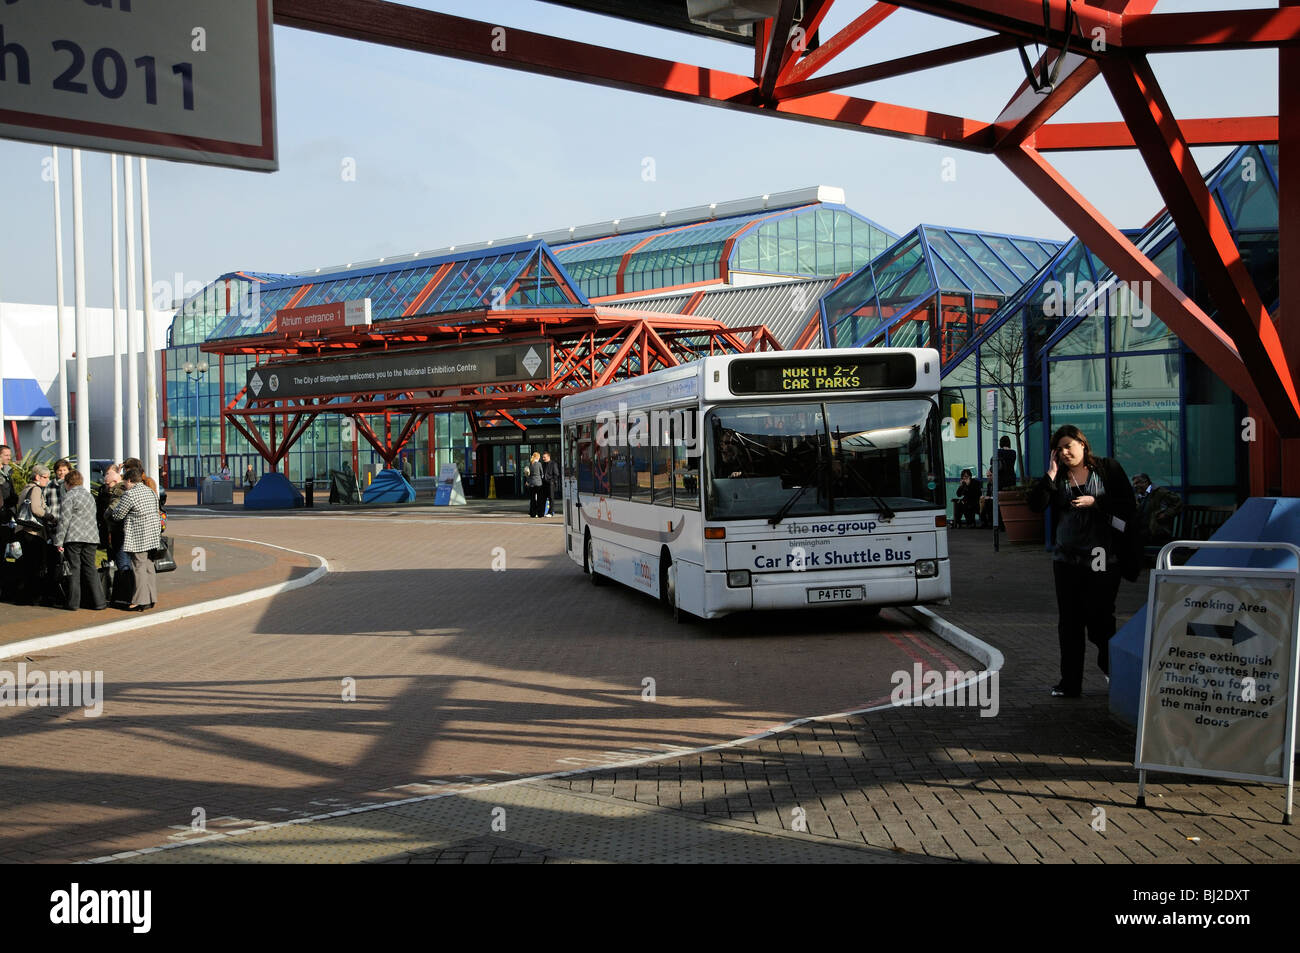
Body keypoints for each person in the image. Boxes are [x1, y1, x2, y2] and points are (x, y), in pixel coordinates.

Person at [1028, 425, 1138, 698]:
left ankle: (1112, 667)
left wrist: (1097, 501)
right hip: (1067, 558)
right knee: (1069, 622)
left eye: (1069, 446)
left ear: (1082, 444)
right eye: (1060, 449)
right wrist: (1051, 474)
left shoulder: (1107, 469)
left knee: (1100, 619)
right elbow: (1035, 505)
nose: (1066, 453)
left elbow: (1127, 505)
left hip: (1101, 556)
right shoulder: (1059, 477)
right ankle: (1070, 682)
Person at [110, 465, 162, 611]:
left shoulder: (130, 494)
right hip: (152, 535)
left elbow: (118, 515)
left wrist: (112, 512)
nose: (124, 485)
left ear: (130, 480)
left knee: (138, 567)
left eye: (125, 482)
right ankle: (152, 597)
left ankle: (140, 600)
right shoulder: (149, 491)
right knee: (149, 566)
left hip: (139, 535)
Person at [53, 470, 106, 612]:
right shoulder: (89, 496)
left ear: (68, 483)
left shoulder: (69, 496)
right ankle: (99, 602)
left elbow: (64, 520)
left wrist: (58, 541)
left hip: (74, 537)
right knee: (90, 568)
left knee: (74, 570)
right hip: (91, 537)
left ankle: (73, 603)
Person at [13, 464, 52, 605]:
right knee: (35, 564)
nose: (47, 480)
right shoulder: (36, 489)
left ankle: (22, 595)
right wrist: (48, 516)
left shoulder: (26, 488)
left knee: (25, 564)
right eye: (45, 477)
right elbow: (36, 509)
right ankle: (33, 596)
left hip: (21, 530)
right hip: (32, 531)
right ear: (37, 477)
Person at [1132, 473, 1182, 549]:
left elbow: (1178, 503)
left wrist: (1166, 514)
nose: (1135, 486)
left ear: (1145, 482)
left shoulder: (1160, 492)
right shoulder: (1139, 495)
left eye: (1137, 483)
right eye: (1134, 484)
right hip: (1144, 530)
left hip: (1157, 530)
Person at [0, 445, 17, 599]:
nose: (9, 458)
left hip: (6, 518)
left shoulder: (7, 473)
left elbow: (11, 494)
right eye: (6, 455)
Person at [524, 451, 545, 517]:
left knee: (532, 499)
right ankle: (540, 514)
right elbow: (542, 474)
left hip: (531, 483)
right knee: (539, 499)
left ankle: (533, 513)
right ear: (538, 457)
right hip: (538, 483)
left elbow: (527, 474)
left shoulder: (530, 464)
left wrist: (528, 481)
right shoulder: (539, 464)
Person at [541, 451, 560, 517]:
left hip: (550, 483)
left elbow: (556, 474)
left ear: (548, 457)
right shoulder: (543, 464)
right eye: (543, 457)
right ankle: (542, 512)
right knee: (543, 498)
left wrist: (553, 481)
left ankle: (551, 512)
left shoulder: (553, 463)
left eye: (544, 457)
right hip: (543, 483)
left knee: (551, 498)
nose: (543, 458)